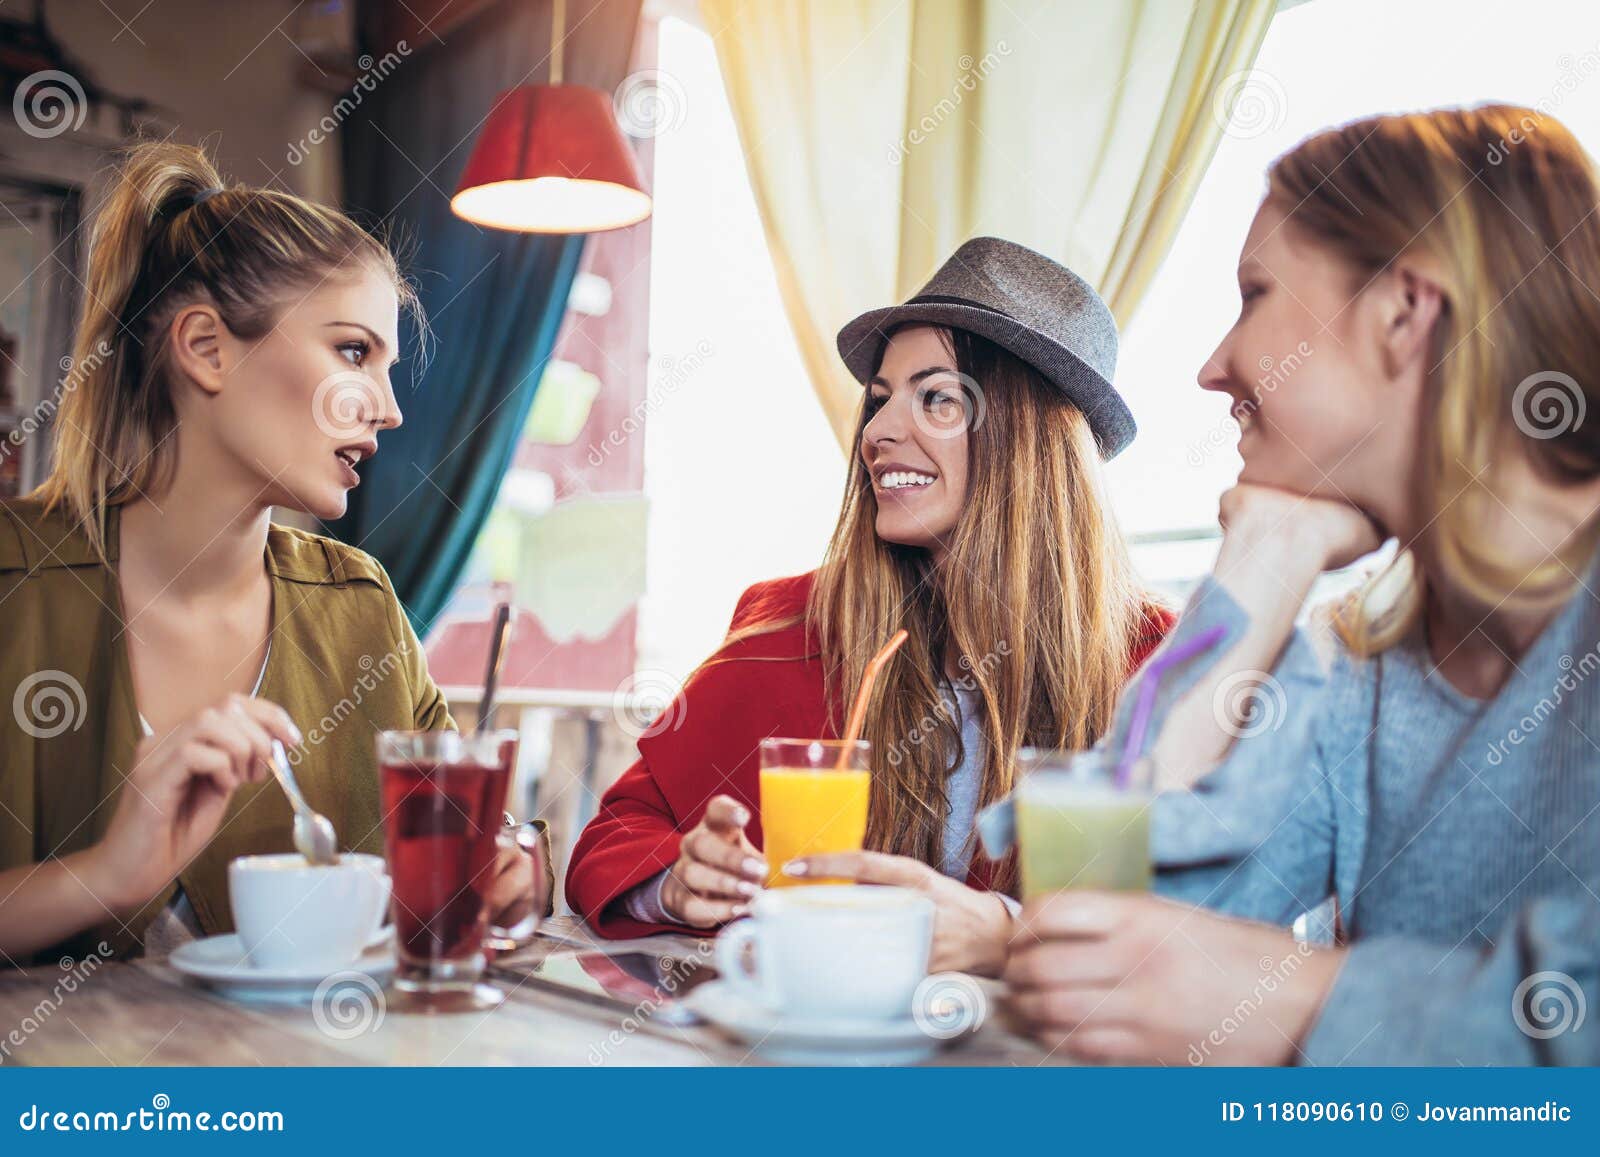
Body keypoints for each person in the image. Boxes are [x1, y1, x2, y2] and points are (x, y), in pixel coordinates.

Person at [1005, 105, 1599, 1064]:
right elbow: (1103, 952)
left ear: (1405, 313)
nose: (1213, 366)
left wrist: (1305, 1002)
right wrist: (1262, 563)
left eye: (1255, 293)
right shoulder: (1352, 660)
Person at [567, 238, 1175, 975]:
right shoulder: (791, 626)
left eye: (937, 397)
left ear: (1031, 438)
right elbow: (615, 837)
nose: (878, 432)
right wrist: (677, 882)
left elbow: (1211, 933)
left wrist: (1013, 936)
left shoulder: (1157, 666)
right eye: (881, 398)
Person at [0, 141, 539, 966]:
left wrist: (504, 862)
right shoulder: (16, 581)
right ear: (207, 348)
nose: (389, 410)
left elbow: (462, 843)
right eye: (354, 352)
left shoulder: (360, 606)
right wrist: (108, 871)